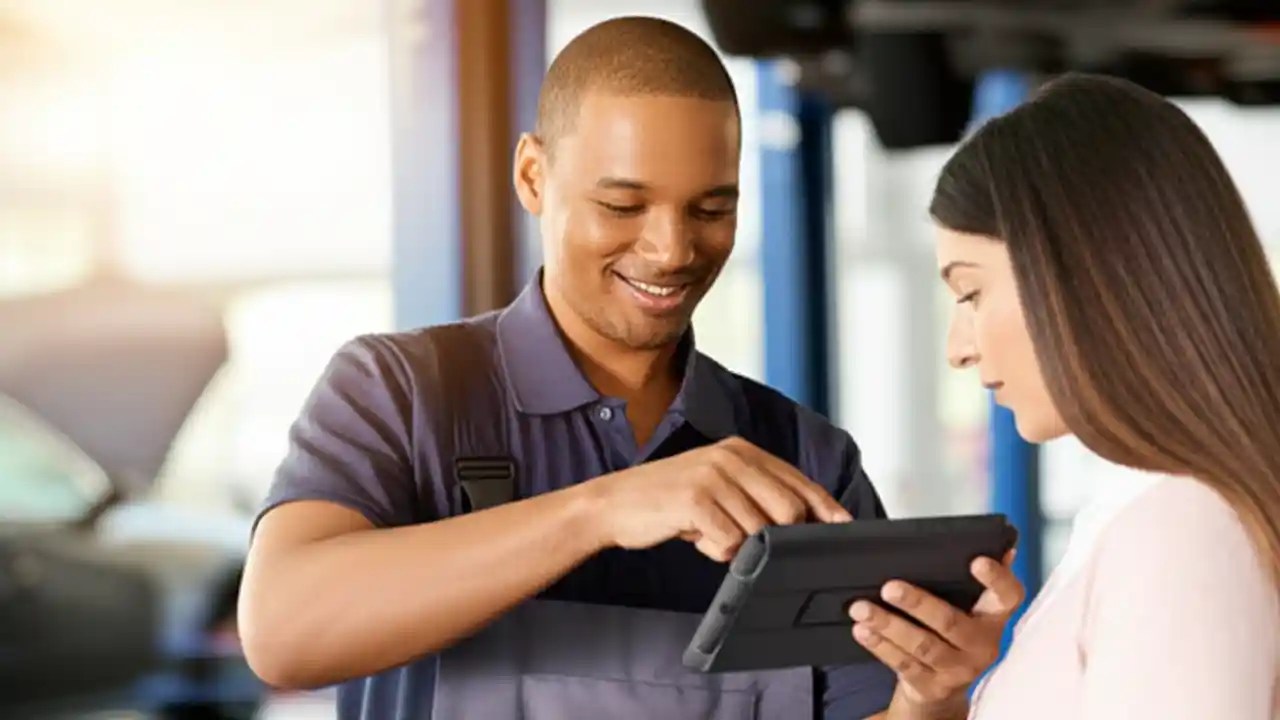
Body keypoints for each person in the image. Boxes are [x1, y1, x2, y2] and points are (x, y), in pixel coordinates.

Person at [238, 15, 1021, 720]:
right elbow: (282, 634)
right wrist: (602, 509)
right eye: (623, 207)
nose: (672, 250)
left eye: (711, 209)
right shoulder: (403, 394)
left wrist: (930, 698)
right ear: (533, 177)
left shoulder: (806, 461)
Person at [848, 73, 1280, 718]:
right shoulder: (1159, 517)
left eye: (970, 294)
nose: (957, 348)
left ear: (1074, 275)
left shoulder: (1177, 531)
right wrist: (927, 699)